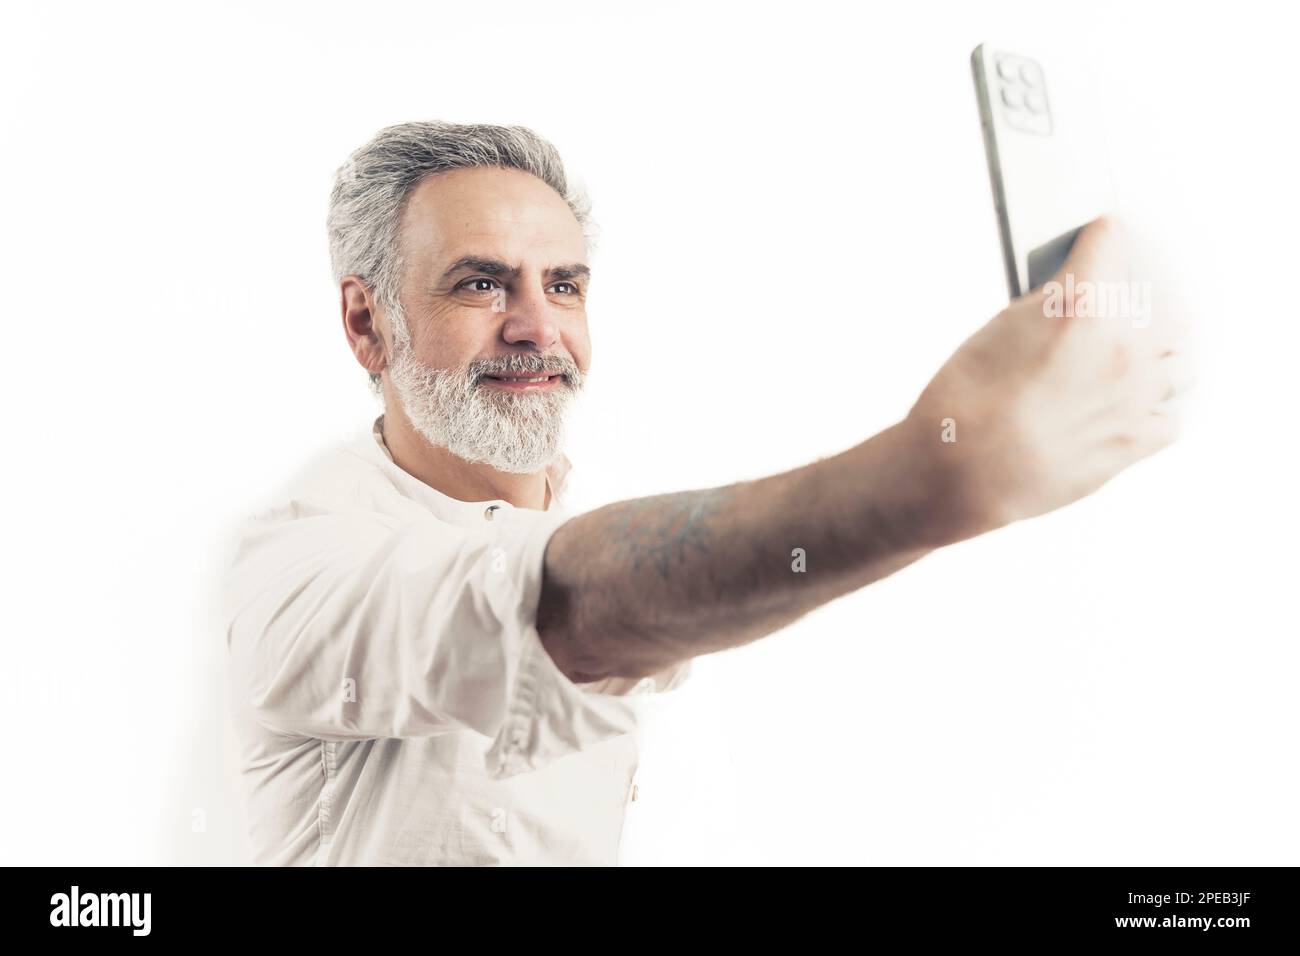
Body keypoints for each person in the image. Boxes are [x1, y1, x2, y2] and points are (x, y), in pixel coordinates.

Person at [221, 120, 1189, 866]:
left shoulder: (568, 500)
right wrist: (934, 474)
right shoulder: (299, 565)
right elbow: (561, 605)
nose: (537, 327)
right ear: (365, 324)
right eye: (480, 285)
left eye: (563, 284)